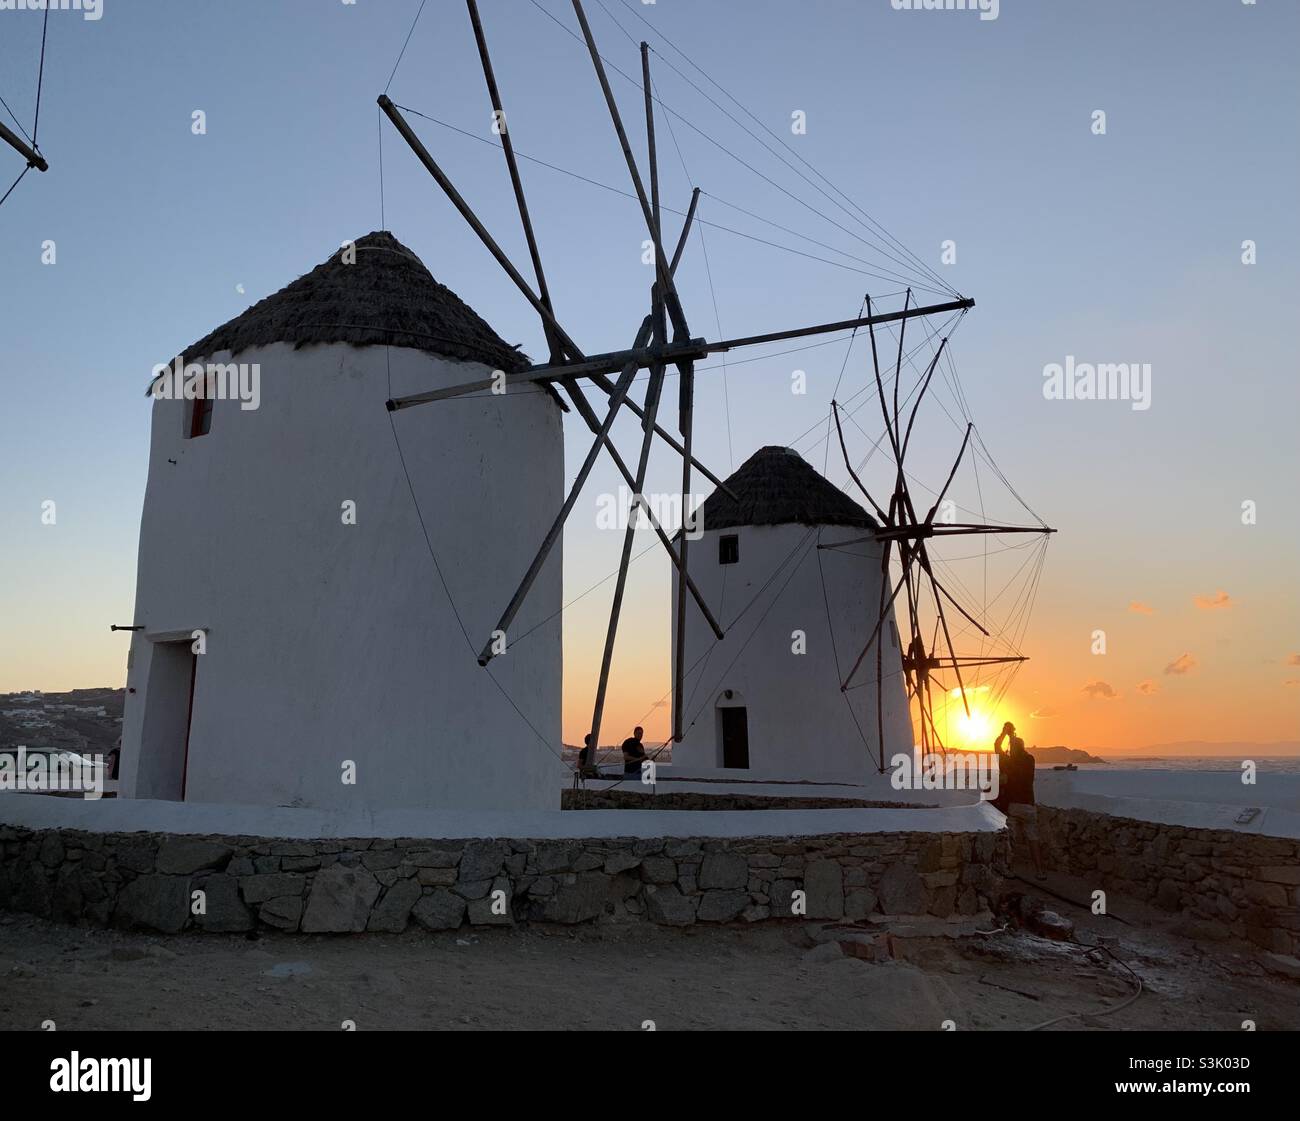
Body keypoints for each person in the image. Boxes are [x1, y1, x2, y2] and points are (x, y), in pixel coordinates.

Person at [993, 722, 1045, 880]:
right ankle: (1040, 871)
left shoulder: (1008, 762)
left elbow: (996, 746)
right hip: (1029, 805)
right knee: (1033, 839)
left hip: (1014, 806)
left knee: (1009, 838)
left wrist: (1004, 733)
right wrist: (1013, 736)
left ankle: (1009, 869)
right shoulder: (1030, 760)